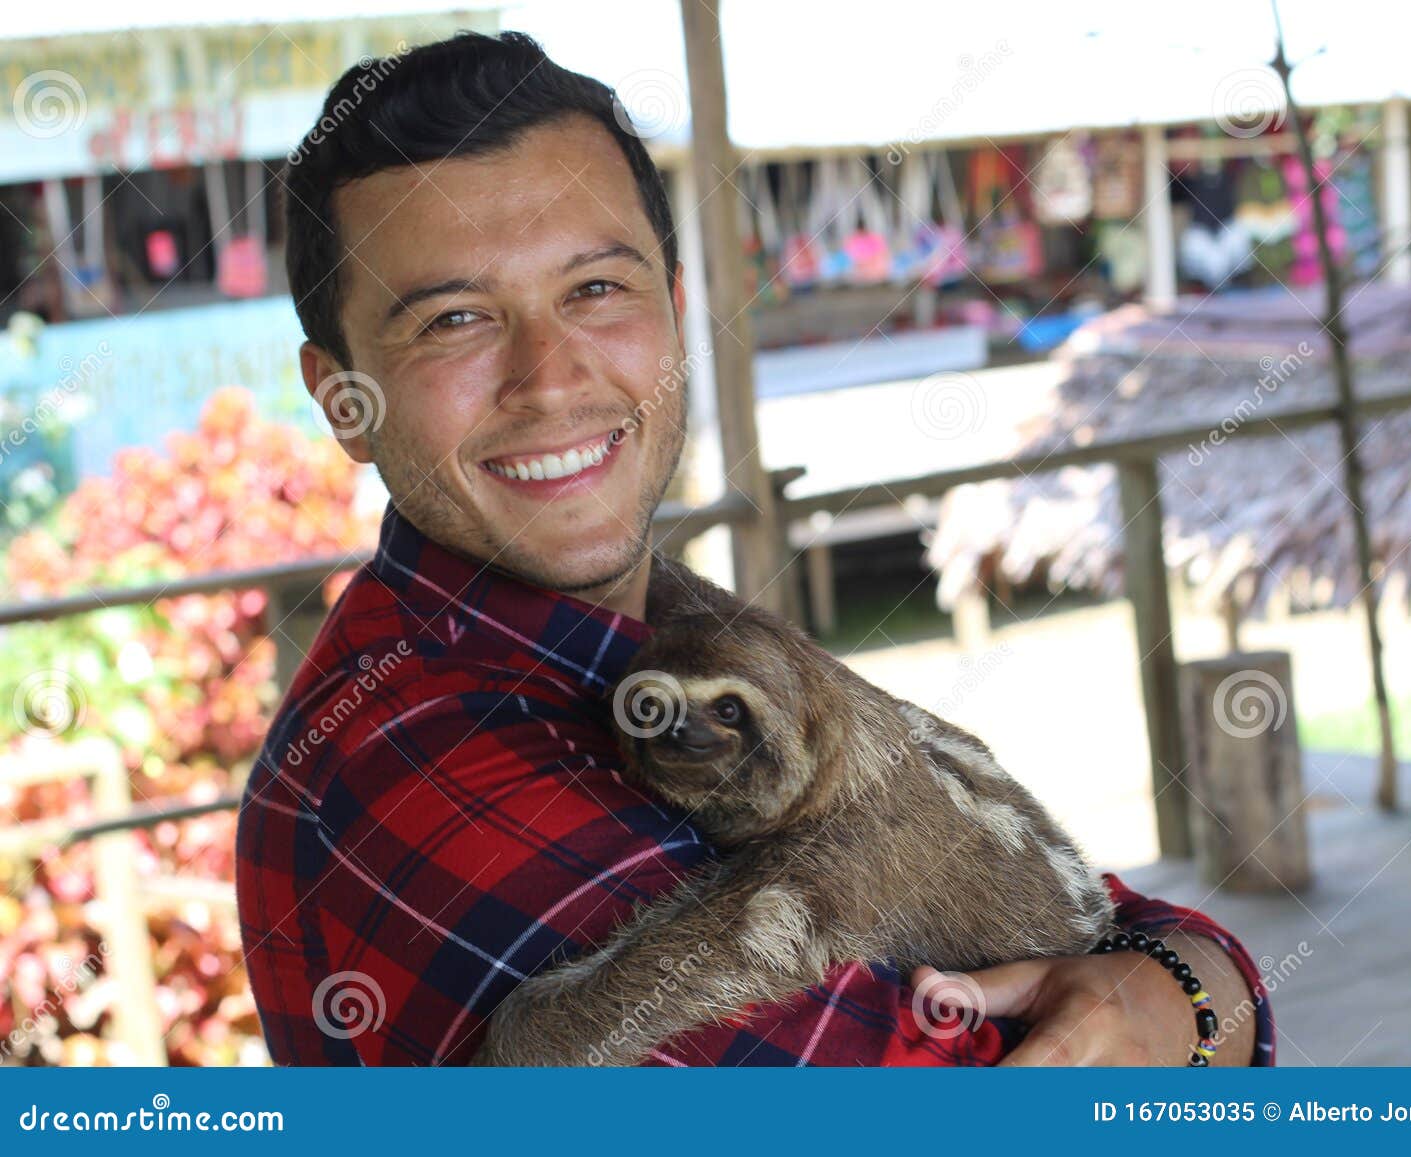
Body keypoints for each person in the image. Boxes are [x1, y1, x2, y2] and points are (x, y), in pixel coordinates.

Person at [236, 31, 1273, 1067]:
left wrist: (1177, 979)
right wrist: (1176, 995)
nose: (549, 379)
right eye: (455, 319)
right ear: (343, 399)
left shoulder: (673, 623)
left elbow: (1062, 903)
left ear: (676, 312)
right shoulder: (416, 755)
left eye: (596, 289)